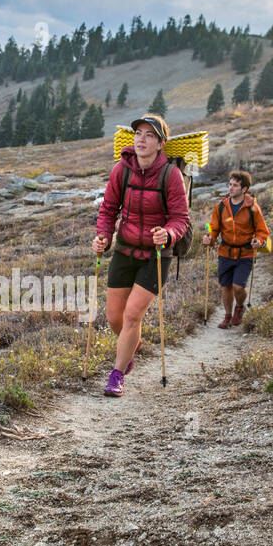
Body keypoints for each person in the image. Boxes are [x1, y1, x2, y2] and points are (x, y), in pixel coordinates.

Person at [92, 113, 190, 396]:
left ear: (161, 144)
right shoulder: (120, 170)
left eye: (149, 135)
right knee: (114, 318)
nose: (141, 139)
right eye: (138, 134)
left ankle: (117, 375)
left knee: (133, 314)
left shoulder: (171, 174)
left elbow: (180, 218)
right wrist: (103, 236)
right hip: (124, 250)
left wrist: (168, 234)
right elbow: (108, 209)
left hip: (157, 255)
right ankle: (131, 344)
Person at [203, 169, 269, 327]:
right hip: (225, 252)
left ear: (244, 189)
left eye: (235, 186)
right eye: (230, 184)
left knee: (238, 287)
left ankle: (239, 307)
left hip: (245, 253)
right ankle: (227, 315)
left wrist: (259, 241)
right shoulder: (221, 206)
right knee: (226, 286)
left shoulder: (253, 207)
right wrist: (209, 237)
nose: (230, 188)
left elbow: (262, 231)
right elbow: (213, 226)